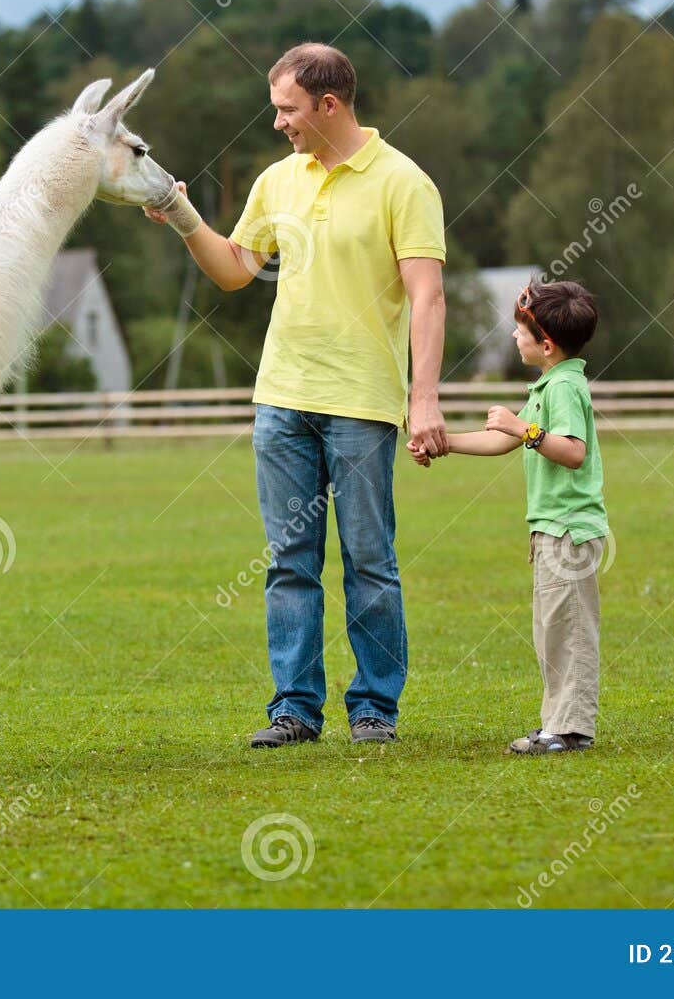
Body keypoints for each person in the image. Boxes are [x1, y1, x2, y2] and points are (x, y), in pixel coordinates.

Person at [145, 42, 447, 747]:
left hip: (362, 402)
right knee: (289, 560)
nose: (277, 121)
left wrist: (424, 398)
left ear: (328, 104)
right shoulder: (278, 182)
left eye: (287, 108)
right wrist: (186, 217)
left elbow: (427, 297)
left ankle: (374, 707)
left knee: (370, 560)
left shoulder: (404, 183)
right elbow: (234, 270)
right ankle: (295, 709)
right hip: (281, 397)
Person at [409, 280, 608, 754]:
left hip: (569, 532)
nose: (513, 337)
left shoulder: (564, 388)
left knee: (569, 633)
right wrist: (443, 443)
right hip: (550, 531)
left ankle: (571, 730)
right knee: (552, 632)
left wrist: (526, 428)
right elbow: (502, 440)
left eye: (519, 330)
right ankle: (556, 723)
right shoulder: (549, 384)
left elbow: (574, 453)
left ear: (546, 344)